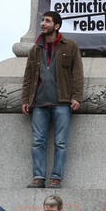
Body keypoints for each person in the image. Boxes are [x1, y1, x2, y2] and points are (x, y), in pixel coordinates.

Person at [22, 10, 85, 188]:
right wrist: (25, 100)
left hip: (62, 103)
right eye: (42, 21)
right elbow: (28, 77)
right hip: (39, 103)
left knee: (61, 143)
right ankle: (38, 177)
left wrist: (77, 97)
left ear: (56, 26)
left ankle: (56, 177)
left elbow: (78, 74)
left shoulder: (70, 46)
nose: (43, 24)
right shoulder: (35, 48)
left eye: (47, 21)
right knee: (37, 142)